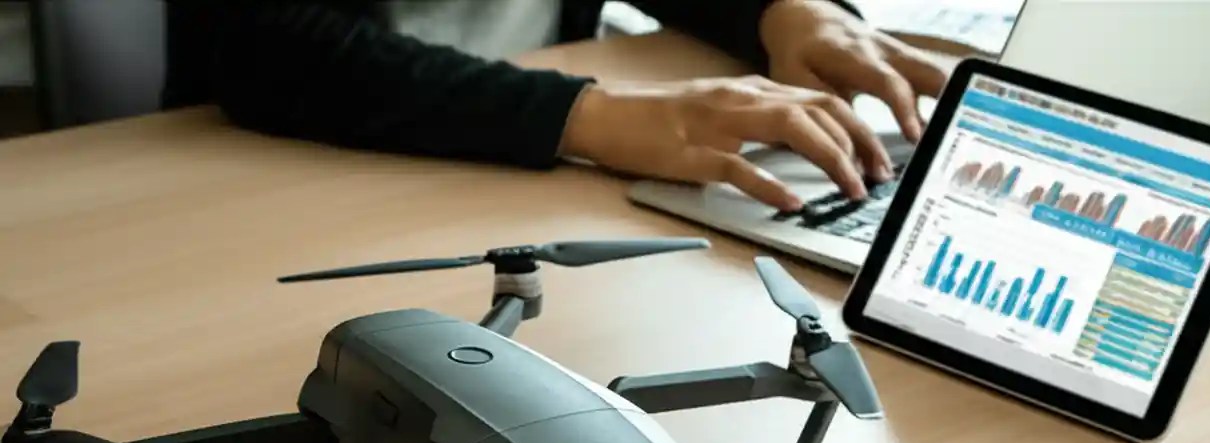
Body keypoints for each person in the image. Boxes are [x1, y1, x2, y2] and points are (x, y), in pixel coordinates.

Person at [163, 1, 949, 211]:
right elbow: (260, 43)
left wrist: (784, 11)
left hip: (524, 188)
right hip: (272, 180)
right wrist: (586, 116)